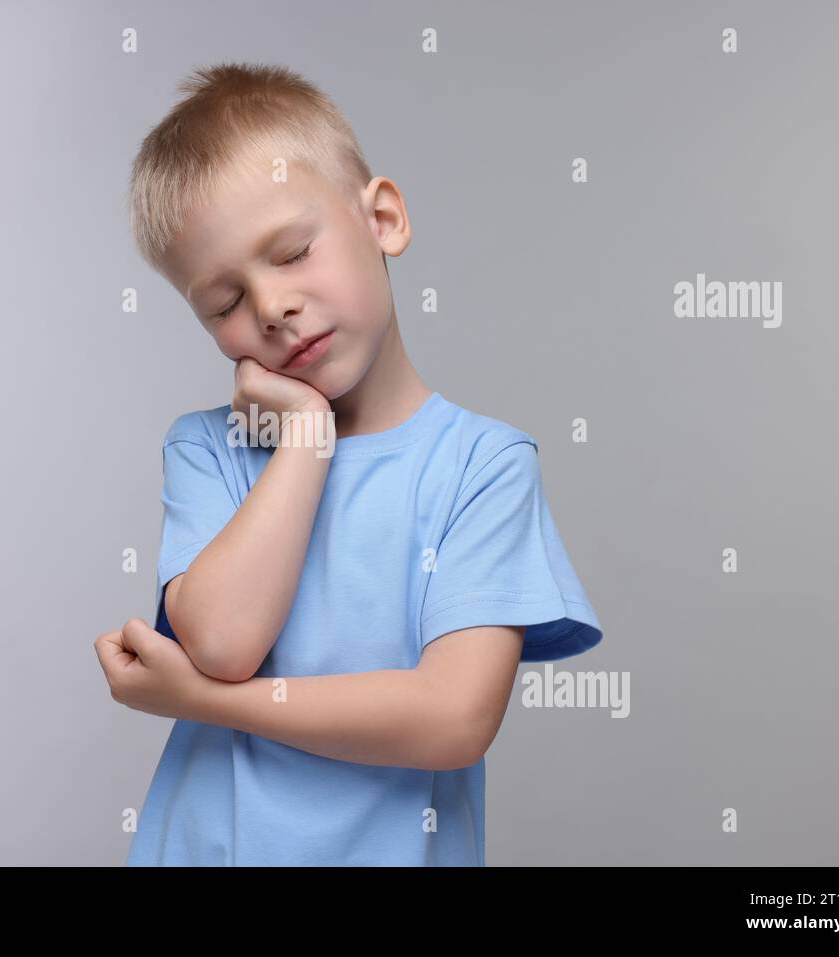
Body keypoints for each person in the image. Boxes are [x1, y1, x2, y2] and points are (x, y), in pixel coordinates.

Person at [94, 61, 604, 866]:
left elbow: (453, 718)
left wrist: (198, 701)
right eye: (224, 303)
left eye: (293, 251)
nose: (270, 308)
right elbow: (224, 640)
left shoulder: (482, 465)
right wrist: (304, 437)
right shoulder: (208, 450)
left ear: (385, 219)